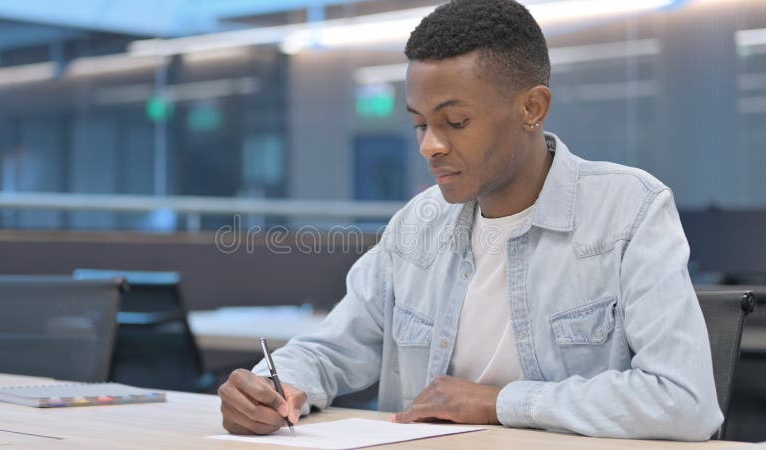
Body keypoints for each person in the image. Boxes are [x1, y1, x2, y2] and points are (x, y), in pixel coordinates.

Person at [218, 0, 723, 440]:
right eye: (419, 123)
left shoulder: (629, 211)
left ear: (532, 107)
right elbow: (330, 351)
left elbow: (684, 400)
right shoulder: (418, 225)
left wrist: (497, 402)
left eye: (455, 122)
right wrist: (269, 386)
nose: (430, 145)